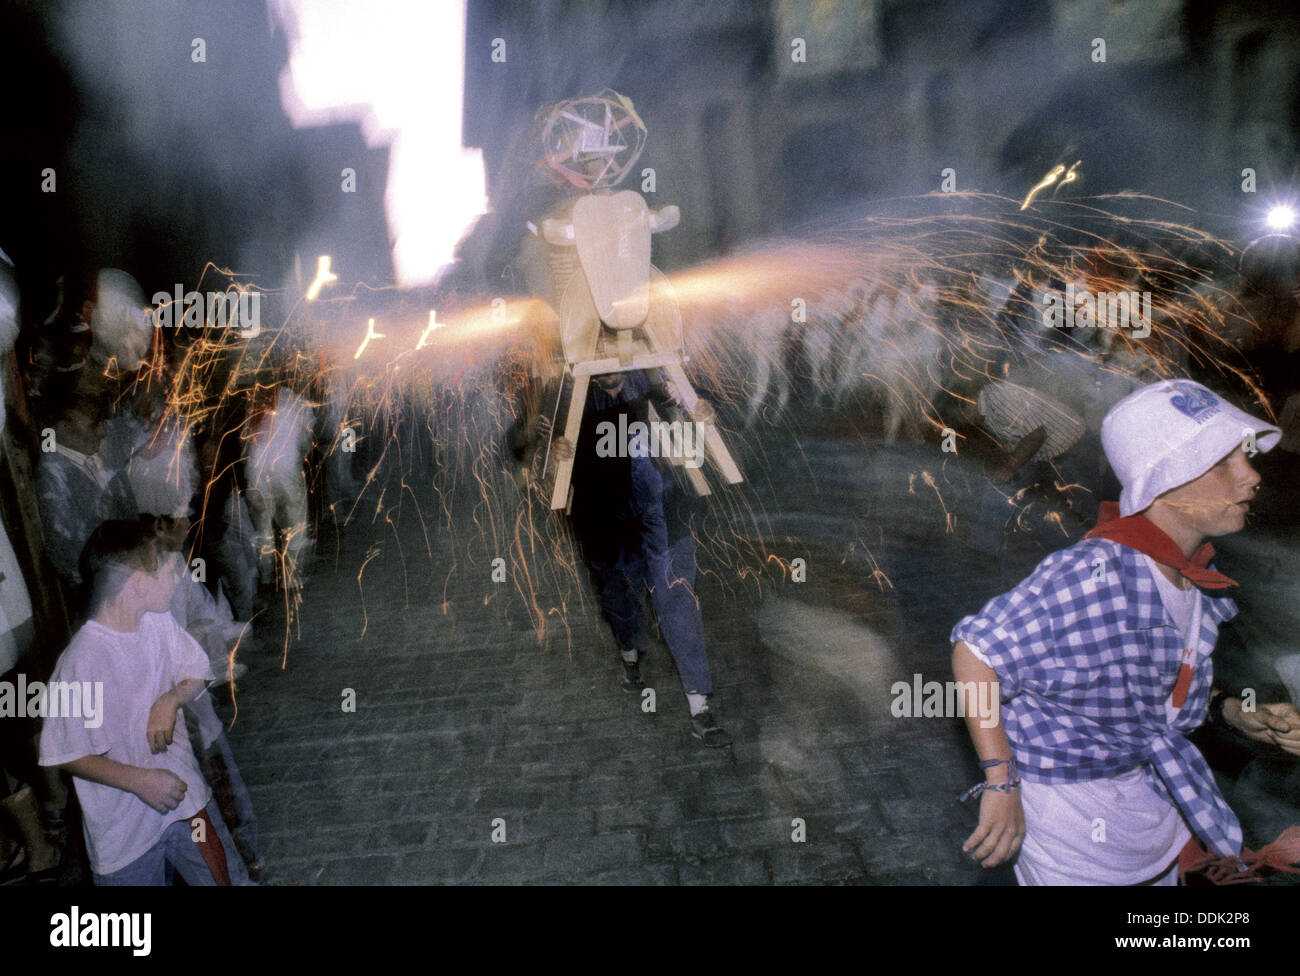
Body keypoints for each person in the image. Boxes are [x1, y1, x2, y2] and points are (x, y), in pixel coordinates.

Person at [951, 379, 1300, 885]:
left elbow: (1153, 690)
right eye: (1224, 462)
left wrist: (1235, 713)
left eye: (1244, 457)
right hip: (1072, 821)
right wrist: (1001, 783)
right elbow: (975, 653)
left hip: (1148, 802)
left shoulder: (1188, 573)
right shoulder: (1094, 572)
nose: (1251, 477)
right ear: (1166, 481)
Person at [37, 517, 251, 885]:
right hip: (125, 835)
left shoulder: (157, 622)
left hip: (187, 807)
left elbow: (195, 671)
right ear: (137, 584)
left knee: (224, 879)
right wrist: (140, 781)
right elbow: (66, 751)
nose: (177, 579)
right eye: (167, 571)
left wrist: (170, 699)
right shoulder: (82, 660)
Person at [539, 368, 732, 746]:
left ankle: (700, 709)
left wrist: (705, 412)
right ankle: (629, 658)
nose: (611, 373)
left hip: (664, 507)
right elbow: (526, 446)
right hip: (607, 519)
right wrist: (553, 452)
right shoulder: (566, 391)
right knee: (620, 599)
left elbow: (703, 408)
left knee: (676, 599)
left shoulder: (655, 372)